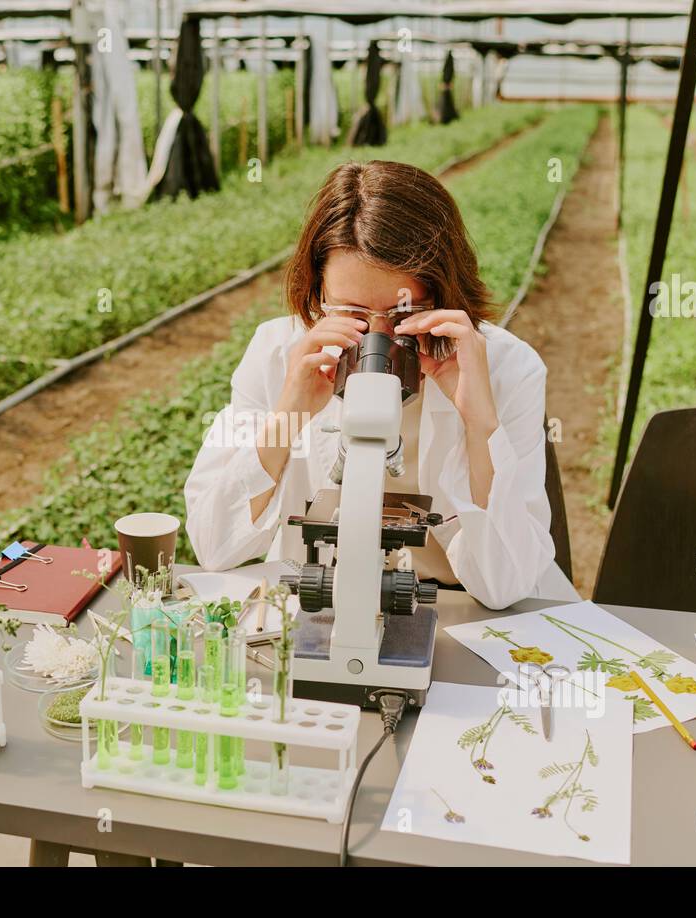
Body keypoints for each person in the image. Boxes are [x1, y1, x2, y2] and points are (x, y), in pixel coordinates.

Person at [183, 160, 577, 610]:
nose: (379, 340)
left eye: (403, 314)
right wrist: (288, 415)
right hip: (316, 597)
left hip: (462, 606)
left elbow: (507, 583)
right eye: (351, 313)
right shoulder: (278, 353)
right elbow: (214, 545)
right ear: (316, 291)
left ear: (445, 295)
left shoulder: (509, 368)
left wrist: (479, 424)